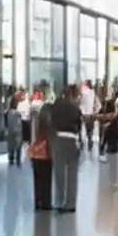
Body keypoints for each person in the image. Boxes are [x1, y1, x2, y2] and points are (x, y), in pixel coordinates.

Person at [50, 85, 82, 213]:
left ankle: (59, 201)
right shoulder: (76, 108)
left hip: (60, 138)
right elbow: (79, 125)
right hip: (73, 140)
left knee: (59, 171)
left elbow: (52, 121)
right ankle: (71, 204)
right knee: (73, 173)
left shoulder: (57, 106)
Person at [28, 107, 53, 211]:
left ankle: (37, 202)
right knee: (47, 181)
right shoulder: (49, 125)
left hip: (35, 154)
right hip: (45, 154)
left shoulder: (36, 122)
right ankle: (46, 203)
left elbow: (32, 138)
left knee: (37, 180)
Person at [78, 81, 98, 152]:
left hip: (83, 114)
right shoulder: (93, 93)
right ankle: (89, 142)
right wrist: (95, 112)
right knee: (89, 130)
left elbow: (79, 103)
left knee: (82, 130)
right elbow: (97, 104)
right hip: (90, 114)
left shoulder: (82, 93)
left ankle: (82, 144)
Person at [3, 96, 22, 166]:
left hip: (10, 130)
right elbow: (19, 122)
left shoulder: (6, 113)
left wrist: (6, 130)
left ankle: (11, 159)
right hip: (17, 130)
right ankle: (18, 159)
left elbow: (5, 123)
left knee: (10, 145)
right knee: (18, 144)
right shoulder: (18, 113)